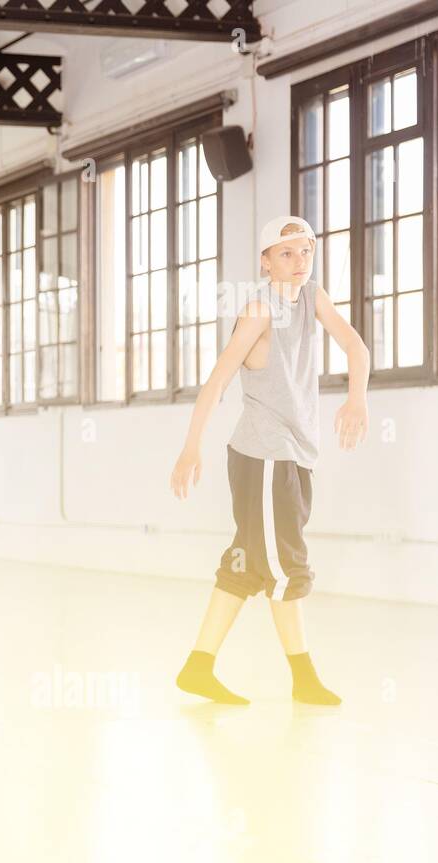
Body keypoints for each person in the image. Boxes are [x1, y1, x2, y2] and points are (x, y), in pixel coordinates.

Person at [170, 216, 370, 705]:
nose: (299, 261)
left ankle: (198, 667)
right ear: (265, 262)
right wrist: (191, 446)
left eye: (306, 251)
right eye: (286, 253)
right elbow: (217, 381)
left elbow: (355, 345)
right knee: (287, 566)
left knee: (245, 563)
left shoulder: (312, 296)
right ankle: (303, 680)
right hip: (264, 457)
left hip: (292, 455)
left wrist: (356, 399)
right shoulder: (259, 310)